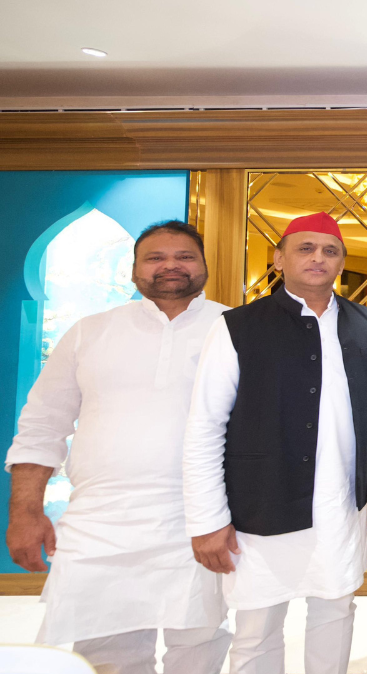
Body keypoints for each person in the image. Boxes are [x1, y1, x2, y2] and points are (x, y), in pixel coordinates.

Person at [4, 221, 231, 674]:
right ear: (133, 270)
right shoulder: (89, 332)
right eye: (155, 257)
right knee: (105, 652)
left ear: (204, 265)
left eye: (184, 256)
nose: (170, 265)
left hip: (201, 516)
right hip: (101, 521)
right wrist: (25, 513)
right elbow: (41, 425)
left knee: (199, 644)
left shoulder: (236, 329)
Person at [183, 211, 367, 674]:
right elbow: (205, 426)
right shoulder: (238, 326)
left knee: (336, 609)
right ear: (279, 258)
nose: (318, 258)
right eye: (305, 248)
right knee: (257, 625)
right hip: (262, 499)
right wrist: (207, 519)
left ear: (341, 261)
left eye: (330, 250)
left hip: (340, 502)